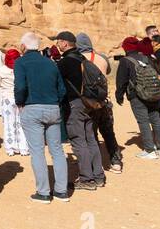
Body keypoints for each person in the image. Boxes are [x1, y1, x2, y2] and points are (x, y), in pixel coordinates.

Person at [13, 31, 70, 202]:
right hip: (53, 108)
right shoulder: (51, 63)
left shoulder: (21, 62)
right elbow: (62, 89)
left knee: (37, 151)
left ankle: (44, 192)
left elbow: (20, 86)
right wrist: (54, 102)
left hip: (32, 107)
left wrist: (19, 102)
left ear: (23, 46)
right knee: (57, 150)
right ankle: (61, 191)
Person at [53, 31, 106, 190]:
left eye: (58, 42)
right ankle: (98, 176)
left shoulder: (65, 62)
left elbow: (57, 82)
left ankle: (86, 179)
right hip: (90, 103)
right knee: (90, 139)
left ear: (64, 43)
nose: (57, 45)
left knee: (78, 140)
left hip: (75, 104)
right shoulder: (82, 58)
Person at [77, 32, 123, 174]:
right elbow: (107, 72)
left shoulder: (78, 60)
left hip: (88, 103)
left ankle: (95, 166)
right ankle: (116, 162)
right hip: (104, 101)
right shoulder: (101, 58)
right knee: (108, 132)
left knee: (91, 135)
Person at [115, 36, 160, 159]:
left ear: (126, 47)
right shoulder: (146, 57)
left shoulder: (125, 61)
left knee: (143, 121)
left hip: (137, 95)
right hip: (153, 93)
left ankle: (150, 150)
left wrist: (119, 95)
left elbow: (121, 81)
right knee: (156, 119)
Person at [0, 46, 29, 156]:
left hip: (7, 99)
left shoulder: (2, 70)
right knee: (22, 123)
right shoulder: (22, 68)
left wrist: (5, 86)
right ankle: (23, 148)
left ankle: (10, 148)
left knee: (9, 124)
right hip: (21, 98)